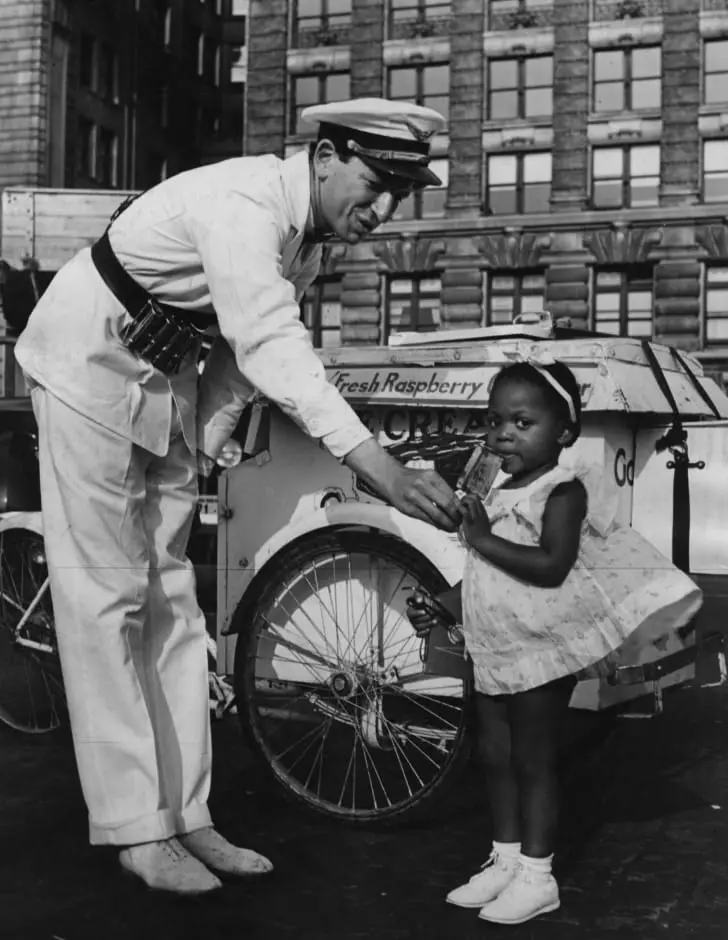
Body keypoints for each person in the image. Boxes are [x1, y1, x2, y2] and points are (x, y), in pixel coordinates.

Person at [14, 97, 462, 895]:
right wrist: (380, 467)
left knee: (174, 602)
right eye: (375, 183)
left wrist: (210, 438)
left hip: (165, 386)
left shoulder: (305, 242)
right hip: (88, 364)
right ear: (324, 157)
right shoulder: (244, 207)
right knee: (109, 597)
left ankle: (188, 817)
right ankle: (136, 829)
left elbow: (229, 353)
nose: (385, 210)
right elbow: (271, 343)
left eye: (403, 193)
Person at [408, 358, 703, 925]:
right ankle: (505, 857)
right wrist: (442, 606)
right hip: (494, 646)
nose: (504, 434)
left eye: (523, 422)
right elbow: (484, 573)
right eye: (496, 421)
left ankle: (538, 876)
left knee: (532, 759)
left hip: (539, 648)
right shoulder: (496, 493)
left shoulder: (561, 491)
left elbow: (550, 566)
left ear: (563, 433)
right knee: (492, 755)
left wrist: (480, 536)